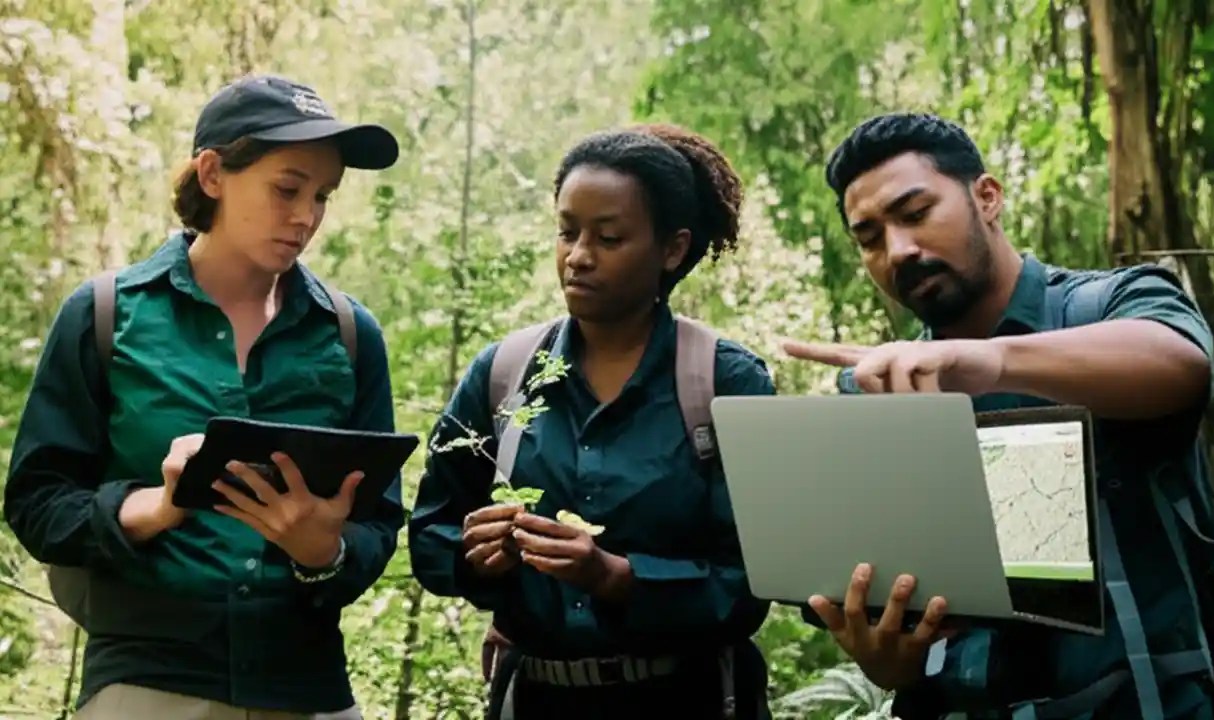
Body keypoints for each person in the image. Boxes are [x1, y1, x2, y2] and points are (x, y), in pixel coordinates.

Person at [782, 112, 1214, 720]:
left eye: (915, 214)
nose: (898, 250)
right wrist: (888, 658)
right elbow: (895, 602)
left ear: (987, 197)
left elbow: (1179, 365)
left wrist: (991, 362)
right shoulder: (879, 392)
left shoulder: (1109, 305)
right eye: (869, 238)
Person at [3, 74, 404, 719]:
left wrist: (322, 552)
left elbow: (379, 522)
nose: (306, 217)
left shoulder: (351, 336)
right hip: (145, 686)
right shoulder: (105, 314)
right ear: (213, 173)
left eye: (323, 196)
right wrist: (155, 507)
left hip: (306, 687)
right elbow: (37, 502)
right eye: (286, 188)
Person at [409, 123, 775, 719]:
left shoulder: (724, 383)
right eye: (567, 232)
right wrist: (473, 555)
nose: (578, 256)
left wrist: (617, 578)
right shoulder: (502, 374)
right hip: (537, 699)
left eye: (608, 237)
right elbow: (431, 532)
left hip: (689, 698)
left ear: (672, 249)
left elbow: (753, 578)